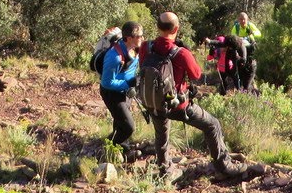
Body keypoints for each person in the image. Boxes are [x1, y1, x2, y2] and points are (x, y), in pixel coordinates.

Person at [139, 12, 245, 179]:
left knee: (161, 135)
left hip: (153, 102)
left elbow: (143, 67)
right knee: (212, 125)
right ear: (176, 29)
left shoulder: (146, 46)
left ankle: (165, 171)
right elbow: (196, 74)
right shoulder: (181, 53)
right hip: (178, 105)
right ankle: (224, 166)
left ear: (158, 27)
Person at [99, 21, 143, 162]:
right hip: (112, 94)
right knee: (129, 127)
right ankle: (107, 149)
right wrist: (129, 83)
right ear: (129, 38)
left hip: (126, 91)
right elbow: (107, 82)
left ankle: (120, 150)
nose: (142, 38)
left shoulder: (136, 48)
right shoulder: (114, 57)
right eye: (139, 36)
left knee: (120, 122)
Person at [232, 12, 261, 91]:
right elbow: (232, 37)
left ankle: (251, 85)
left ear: (247, 19)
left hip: (250, 51)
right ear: (238, 20)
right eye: (241, 19)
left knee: (251, 68)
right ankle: (241, 87)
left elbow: (259, 34)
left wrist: (252, 33)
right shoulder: (236, 27)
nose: (243, 21)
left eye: (244, 19)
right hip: (240, 52)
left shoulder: (250, 25)